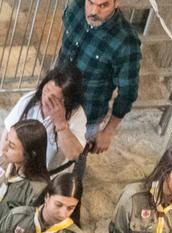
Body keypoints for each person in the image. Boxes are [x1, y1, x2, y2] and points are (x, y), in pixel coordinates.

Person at [55, 0, 139, 156]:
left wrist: (108, 132)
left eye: (103, 5)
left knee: (72, 166)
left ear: (117, 2)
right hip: (54, 101)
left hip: (86, 118)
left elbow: (128, 93)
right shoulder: (75, 9)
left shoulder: (126, 42)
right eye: (91, 2)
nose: (93, 11)